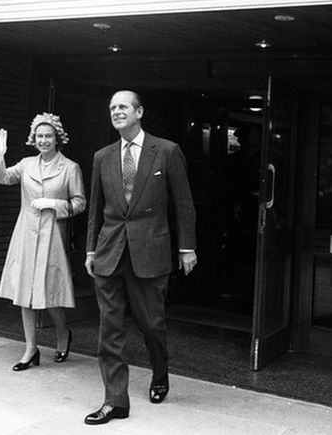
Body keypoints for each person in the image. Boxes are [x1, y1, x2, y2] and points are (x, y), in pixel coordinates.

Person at [83, 90, 197, 425]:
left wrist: (187, 247)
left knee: (152, 324)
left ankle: (160, 373)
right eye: (112, 107)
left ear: (139, 112)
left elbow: (184, 203)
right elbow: (95, 207)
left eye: (123, 106)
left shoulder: (166, 151)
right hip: (110, 252)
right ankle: (115, 400)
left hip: (150, 251)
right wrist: (91, 248)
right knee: (110, 330)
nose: (116, 111)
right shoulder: (102, 156)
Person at [0, 113, 86, 371]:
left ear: (58, 139)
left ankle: (62, 334)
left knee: (51, 292)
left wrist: (56, 204)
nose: (44, 140)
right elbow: (3, 178)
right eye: (40, 136)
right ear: (34, 139)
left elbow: (80, 202)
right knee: (25, 293)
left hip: (52, 235)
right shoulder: (26, 164)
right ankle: (30, 349)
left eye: (49, 136)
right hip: (26, 233)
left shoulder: (70, 168)